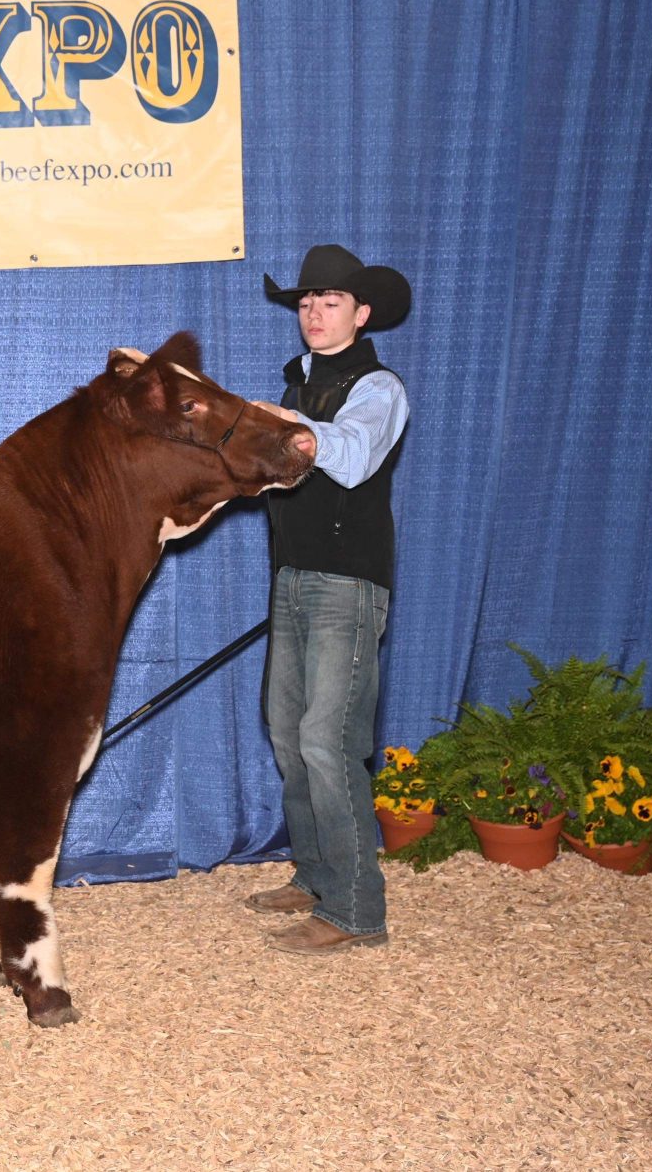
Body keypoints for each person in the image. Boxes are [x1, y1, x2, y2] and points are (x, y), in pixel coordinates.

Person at [245, 245, 411, 955]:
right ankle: (315, 875)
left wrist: (279, 426)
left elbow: (351, 456)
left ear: (361, 312)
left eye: (331, 302)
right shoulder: (297, 386)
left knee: (329, 737)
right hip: (293, 577)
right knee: (288, 729)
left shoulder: (379, 388)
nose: (315, 312)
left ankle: (354, 910)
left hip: (348, 581)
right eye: (307, 302)